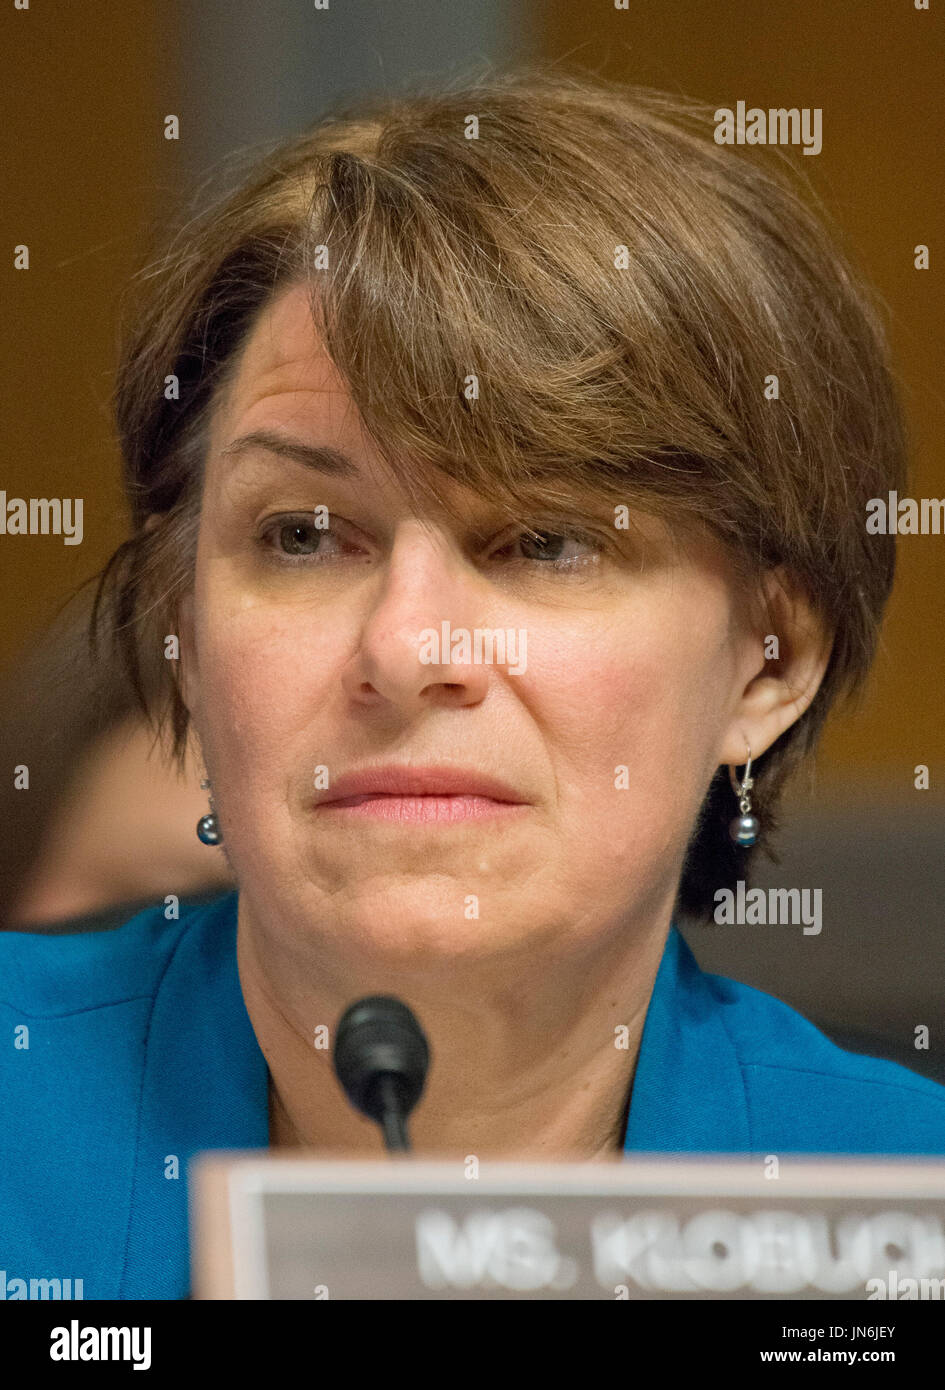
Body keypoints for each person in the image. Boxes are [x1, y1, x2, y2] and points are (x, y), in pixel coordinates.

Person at [3, 66, 943, 1301]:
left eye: (546, 541)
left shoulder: (902, 1199)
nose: (406, 646)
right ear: (184, 623)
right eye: (302, 534)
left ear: (771, 662)